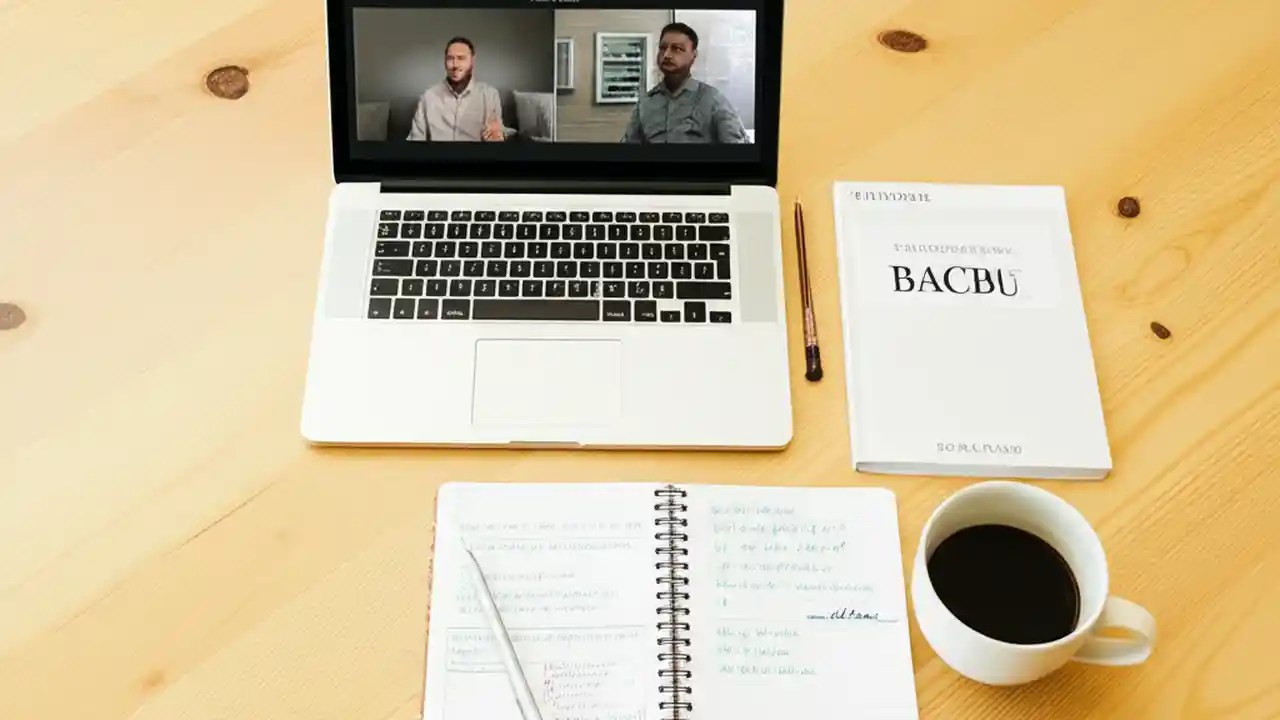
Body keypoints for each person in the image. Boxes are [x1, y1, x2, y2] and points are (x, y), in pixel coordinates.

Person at [621, 22, 749, 144]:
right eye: (662, 48)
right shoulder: (646, 103)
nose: (666, 55)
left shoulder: (712, 100)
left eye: (676, 49)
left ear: (693, 55)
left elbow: (740, 150)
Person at [407, 37, 506, 142]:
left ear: (472, 60)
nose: (455, 64)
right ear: (444, 61)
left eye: (461, 58)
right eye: (450, 58)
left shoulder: (489, 95)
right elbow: (416, 141)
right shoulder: (428, 96)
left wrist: (497, 136)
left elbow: (496, 137)